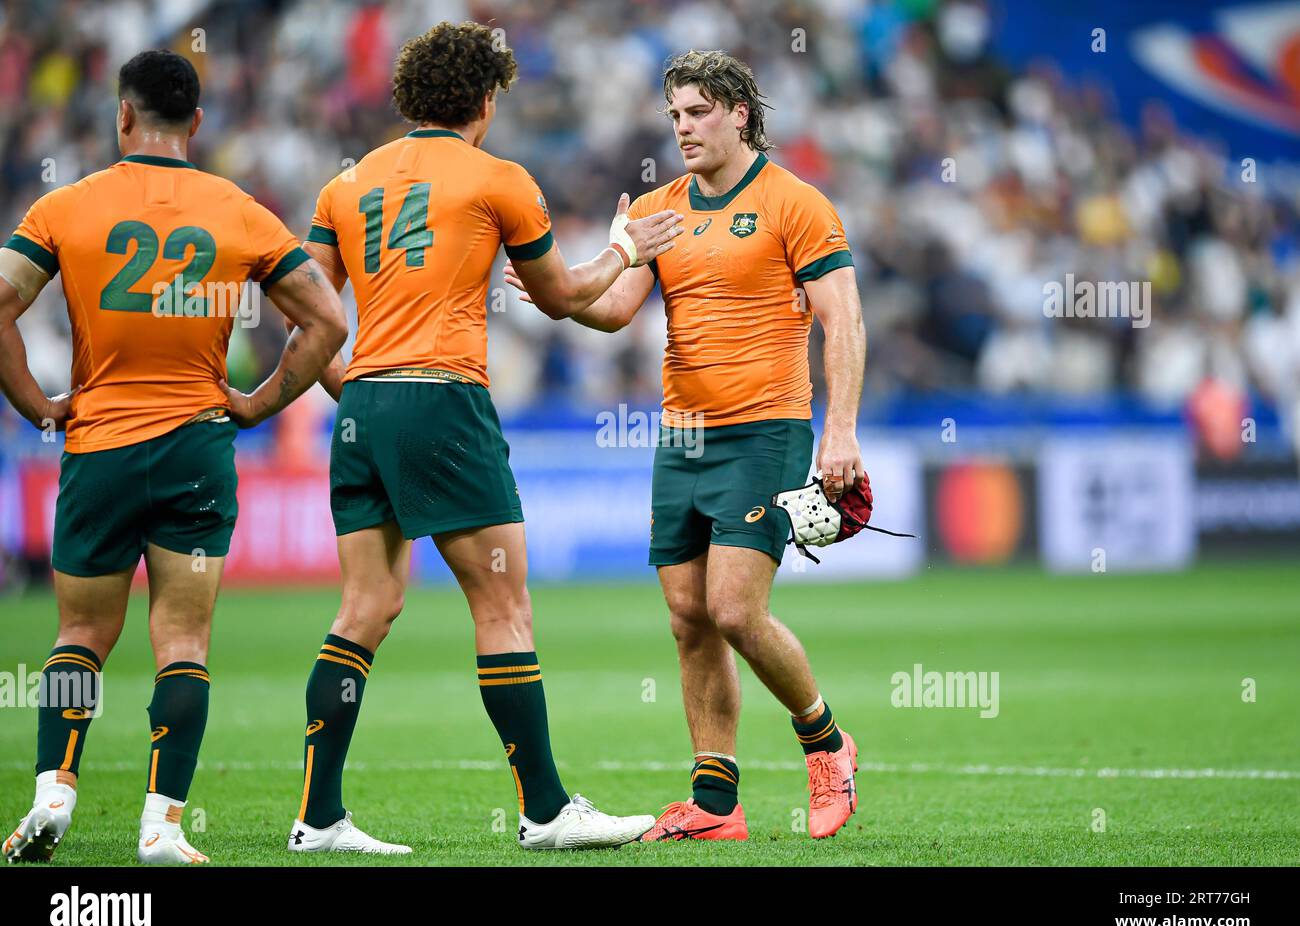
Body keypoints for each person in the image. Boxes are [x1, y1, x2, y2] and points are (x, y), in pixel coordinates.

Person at [289, 21, 683, 853]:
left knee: (365, 607)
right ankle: (545, 808)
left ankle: (317, 816)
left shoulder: (346, 183)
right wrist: (622, 250)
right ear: (487, 97)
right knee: (503, 607)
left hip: (361, 408)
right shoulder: (497, 178)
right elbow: (566, 295)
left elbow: (311, 318)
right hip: (443, 400)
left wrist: (351, 395)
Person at [506, 49, 867, 841]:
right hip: (683, 437)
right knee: (686, 617)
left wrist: (839, 430)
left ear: (739, 113)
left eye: (698, 111)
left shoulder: (793, 202)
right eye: (674, 115)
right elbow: (610, 312)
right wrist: (585, 267)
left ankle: (827, 743)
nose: (683, 128)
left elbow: (843, 318)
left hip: (766, 432)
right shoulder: (663, 207)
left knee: (735, 609)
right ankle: (715, 804)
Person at [0, 50, 346, 864]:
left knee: (79, 633)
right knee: (183, 641)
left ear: (122, 116)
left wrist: (37, 403)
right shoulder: (239, 209)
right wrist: (259, 404)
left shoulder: (66, 207)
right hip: (196, 444)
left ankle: (54, 793)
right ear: (197, 123)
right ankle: (161, 827)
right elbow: (327, 322)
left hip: (98, 445)